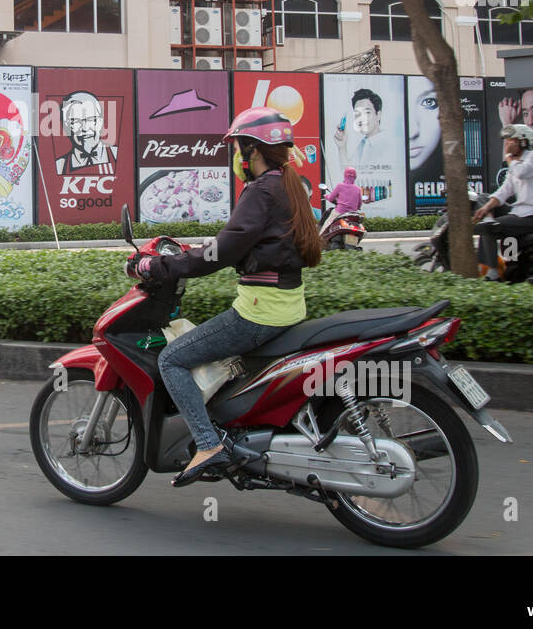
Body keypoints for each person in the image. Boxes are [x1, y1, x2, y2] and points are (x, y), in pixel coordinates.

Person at [133, 107, 322, 487]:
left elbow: (224, 252)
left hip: (258, 312)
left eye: (238, 147)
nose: (237, 156)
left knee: (172, 359)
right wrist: (205, 250)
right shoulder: (288, 184)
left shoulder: (260, 189)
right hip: (288, 305)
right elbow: (242, 242)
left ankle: (208, 444)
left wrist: (159, 267)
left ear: (252, 149)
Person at [474, 123, 533, 279]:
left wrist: (509, 158)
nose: (507, 145)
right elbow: (504, 191)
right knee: (484, 198)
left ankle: (492, 271)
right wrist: (486, 208)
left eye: (511, 141)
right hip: (519, 214)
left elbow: (521, 172)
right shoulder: (513, 165)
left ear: (523, 142)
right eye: (506, 141)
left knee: (490, 227)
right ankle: (512, 266)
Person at [320, 167, 364, 235]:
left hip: (339, 212)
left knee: (327, 224)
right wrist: (357, 208)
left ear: (345, 175)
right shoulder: (357, 189)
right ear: (355, 176)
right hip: (352, 214)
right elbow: (360, 203)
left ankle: (320, 238)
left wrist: (326, 196)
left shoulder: (340, 186)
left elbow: (331, 198)